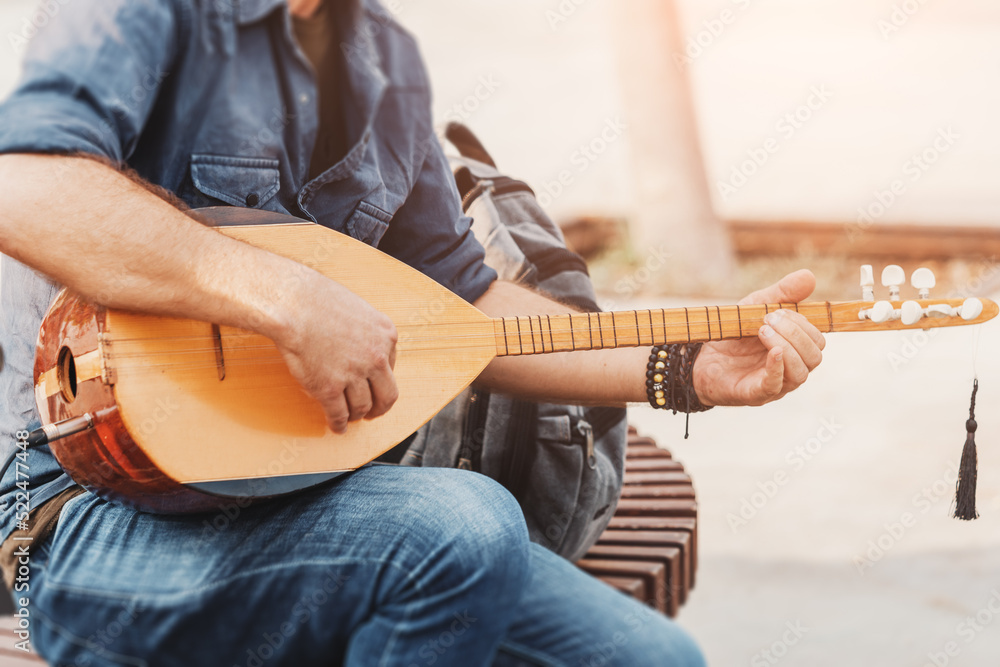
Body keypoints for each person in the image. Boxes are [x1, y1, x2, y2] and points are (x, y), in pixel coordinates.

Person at [0, 0, 825, 664]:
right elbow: (26, 188)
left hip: (317, 504)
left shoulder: (383, 61)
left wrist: (685, 367)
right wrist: (283, 294)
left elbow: (470, 310)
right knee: (470, 527)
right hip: (85, 519)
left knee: (652, 659)